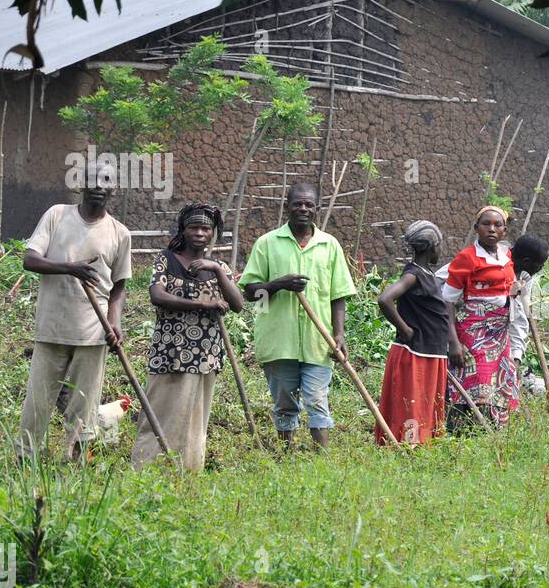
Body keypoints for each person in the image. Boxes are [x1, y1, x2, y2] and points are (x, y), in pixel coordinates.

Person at [17, 166, 132, 461]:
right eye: (92, 180)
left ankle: (77, 462)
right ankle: (26, 458)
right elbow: (30, 260)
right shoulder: (56, 215)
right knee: (38, 402)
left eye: (106, 181)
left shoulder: (120, 233)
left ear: (113, 190)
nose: (98, 186)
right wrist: (71, 267)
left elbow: (118, 286)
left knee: (85, 404)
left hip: (93, 331)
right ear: (80, 185)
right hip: (52, 326)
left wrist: (115, 322)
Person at [240, 182, 355, 448]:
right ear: (287, 207)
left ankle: (321, 462)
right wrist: (278, 284)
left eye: (308, 204)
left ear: (317, 209)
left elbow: (339, 295)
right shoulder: (267, 243)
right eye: (297, 204)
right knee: (284, 404)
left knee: (317, 400)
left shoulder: (330, 245)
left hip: (319, 341)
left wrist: (339, 334)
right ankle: (285, 455)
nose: (303, 208)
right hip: (280, 341)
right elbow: (250, 293)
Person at [130, 203, 243, 470]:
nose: (200, 233)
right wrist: (203, 305)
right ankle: (147, 470)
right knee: (161, 412)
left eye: (206, 228)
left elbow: (237, 304)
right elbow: (157, 296)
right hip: (170, 352)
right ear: (184, 229)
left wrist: (215, 270)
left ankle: (189, 472)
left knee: (195, 418)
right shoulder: (166, 259)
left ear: (213, 233)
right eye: (194, 227)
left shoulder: (218, 268)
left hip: (205, 355)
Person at [375, 221, 451, 445]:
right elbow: (385, 299)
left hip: (430, 353)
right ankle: (408, 447)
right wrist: (405, 329)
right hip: (415, 353)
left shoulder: (427, 274)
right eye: (440, 245)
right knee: (412, 404)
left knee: (427, 403)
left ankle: (422, 446)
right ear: (432, 247)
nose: (441, 249)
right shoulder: (413, 275)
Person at [441, 205, 517, 429]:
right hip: (473, 330)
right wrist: (453, 342)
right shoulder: (466, 258)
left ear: (504, 230)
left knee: (499, 380)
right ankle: (467, 430)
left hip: (500, 331)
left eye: (497, 225)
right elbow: (448, 302)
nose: (491, 229)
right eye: (486, 224)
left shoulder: (506, 256)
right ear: (476, 228)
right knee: (477, 379)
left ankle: (495, 429)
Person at [507, 234, 549, 405]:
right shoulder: (495, 263)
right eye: (539, 265)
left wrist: (516, 355)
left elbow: (519, 317)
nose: (541, 268)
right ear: (525, 261)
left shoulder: (524, 278)